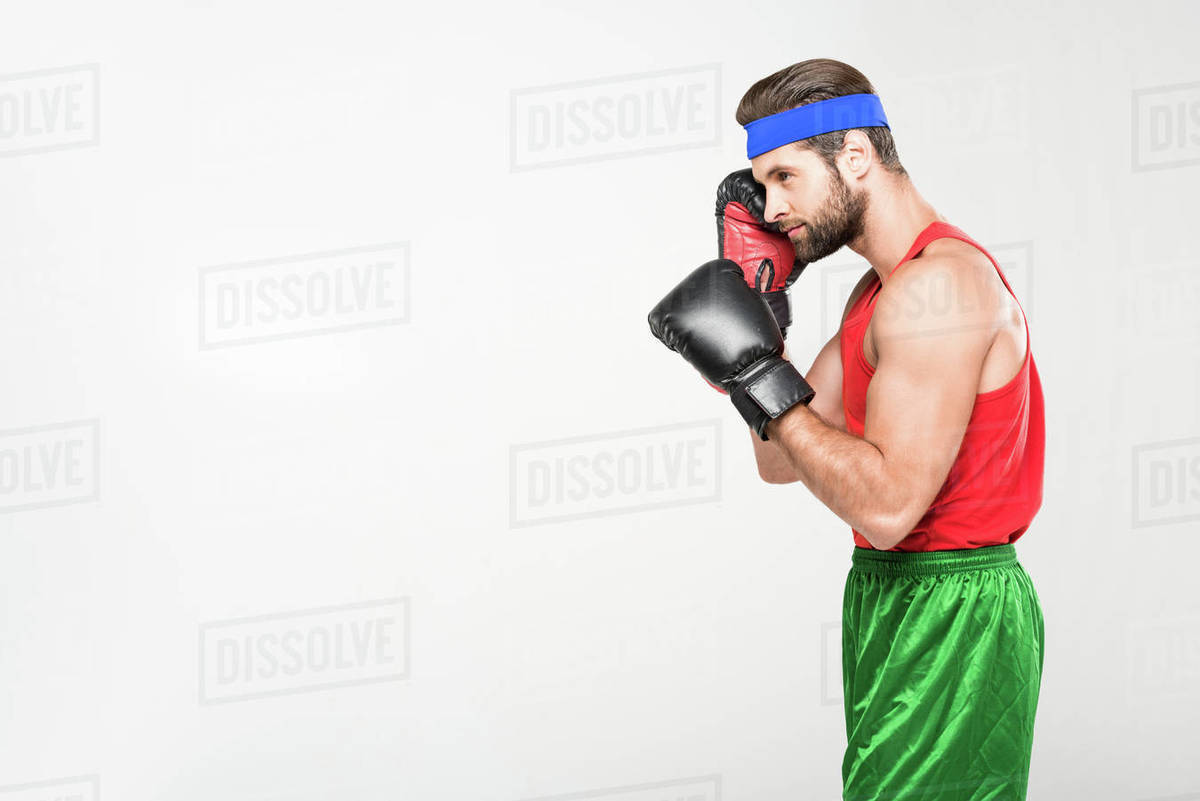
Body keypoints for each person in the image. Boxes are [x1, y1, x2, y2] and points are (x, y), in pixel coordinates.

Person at [648, 58, 1046, 801]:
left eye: (784, 178)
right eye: (760, 185)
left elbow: (889, 509)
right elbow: (783, 458)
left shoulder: (938, 286)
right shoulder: (878, 292)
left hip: (952, 606)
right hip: (890, 596)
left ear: (855, 156)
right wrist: (764, 329)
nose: (767, 211)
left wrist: (760, 374)